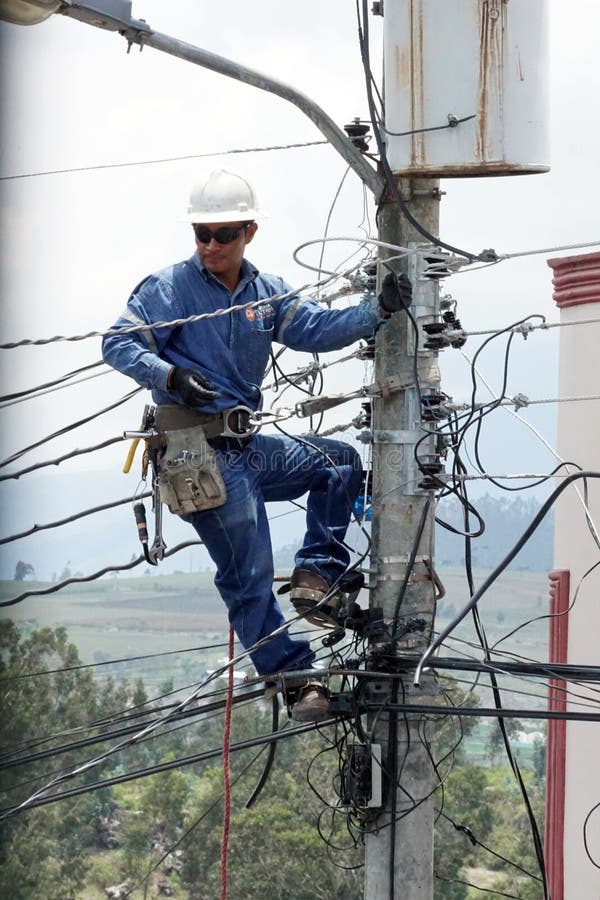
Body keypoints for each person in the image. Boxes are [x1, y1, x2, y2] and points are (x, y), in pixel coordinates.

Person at [102, 169, 411, 721]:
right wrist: (171, 377)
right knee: (247, 576)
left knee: (337, 464)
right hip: (198, 453)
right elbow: (118, 342)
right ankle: (295, 680)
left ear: (249, 232)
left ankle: (316, 572)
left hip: (247, 448)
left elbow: (316, 329)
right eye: (203, 234)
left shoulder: (265, 293)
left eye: (224, 234)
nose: (211, 246)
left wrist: (378, 311)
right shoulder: (169, 289)